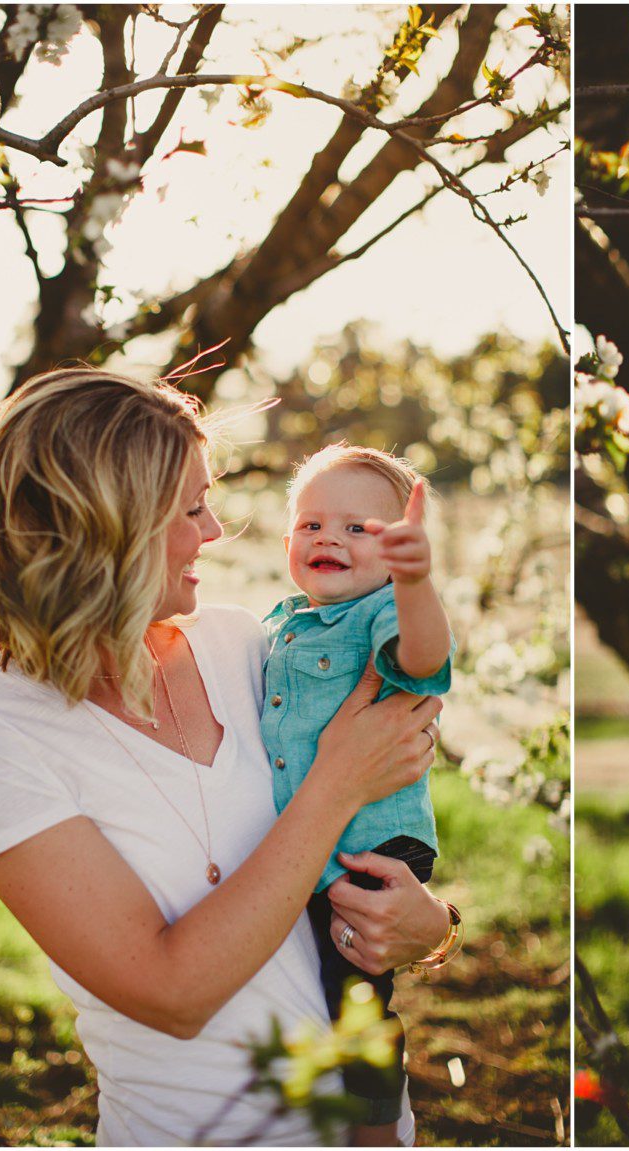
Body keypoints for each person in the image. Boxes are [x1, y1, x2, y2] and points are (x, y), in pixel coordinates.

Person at [0, 369, 451, 1146]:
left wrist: (430, 928)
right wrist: (337, 783)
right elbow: (172, 992)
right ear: (110, 526)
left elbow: (376, 839)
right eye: (192, 508)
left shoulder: (247, 646)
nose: (214, 531)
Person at [263, 444, 453, 1138]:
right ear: (288, 540)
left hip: (374, 846)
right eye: (311, 525)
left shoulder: (380, 615)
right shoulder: (280, 624)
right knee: (315, 978)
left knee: (355, 988)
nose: (328, 539)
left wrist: (414, 582)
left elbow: (424, 656)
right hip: (319, 841)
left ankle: (371, 1123)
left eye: (357, 529)